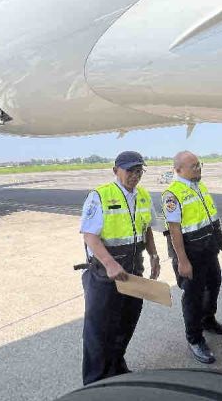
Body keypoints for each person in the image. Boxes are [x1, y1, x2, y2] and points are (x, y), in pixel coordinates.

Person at [79, 151, 161, 385]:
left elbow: (146, 229)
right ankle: (95, 382)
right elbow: (89, 235)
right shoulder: (100, 195)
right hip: (105, 275)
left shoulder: (143, 196)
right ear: (116, 171)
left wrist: (154, 255)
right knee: (99, 330)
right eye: (130, 170)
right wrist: (110, 263)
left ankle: (116, 367)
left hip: (133, 271)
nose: (135, 175)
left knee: (126, 323)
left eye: (139, 170)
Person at [162, 151, 222, 364]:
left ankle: (208, 320)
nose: (198, 168)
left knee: (214, 284)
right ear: (178, 170)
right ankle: (195, 339)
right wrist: (182, 261)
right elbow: (174, 230)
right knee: (193, 296)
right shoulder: (172, 195)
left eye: (199, 164)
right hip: (191, 254)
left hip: (208, 249)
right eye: (193, 166)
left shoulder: (199, 186)